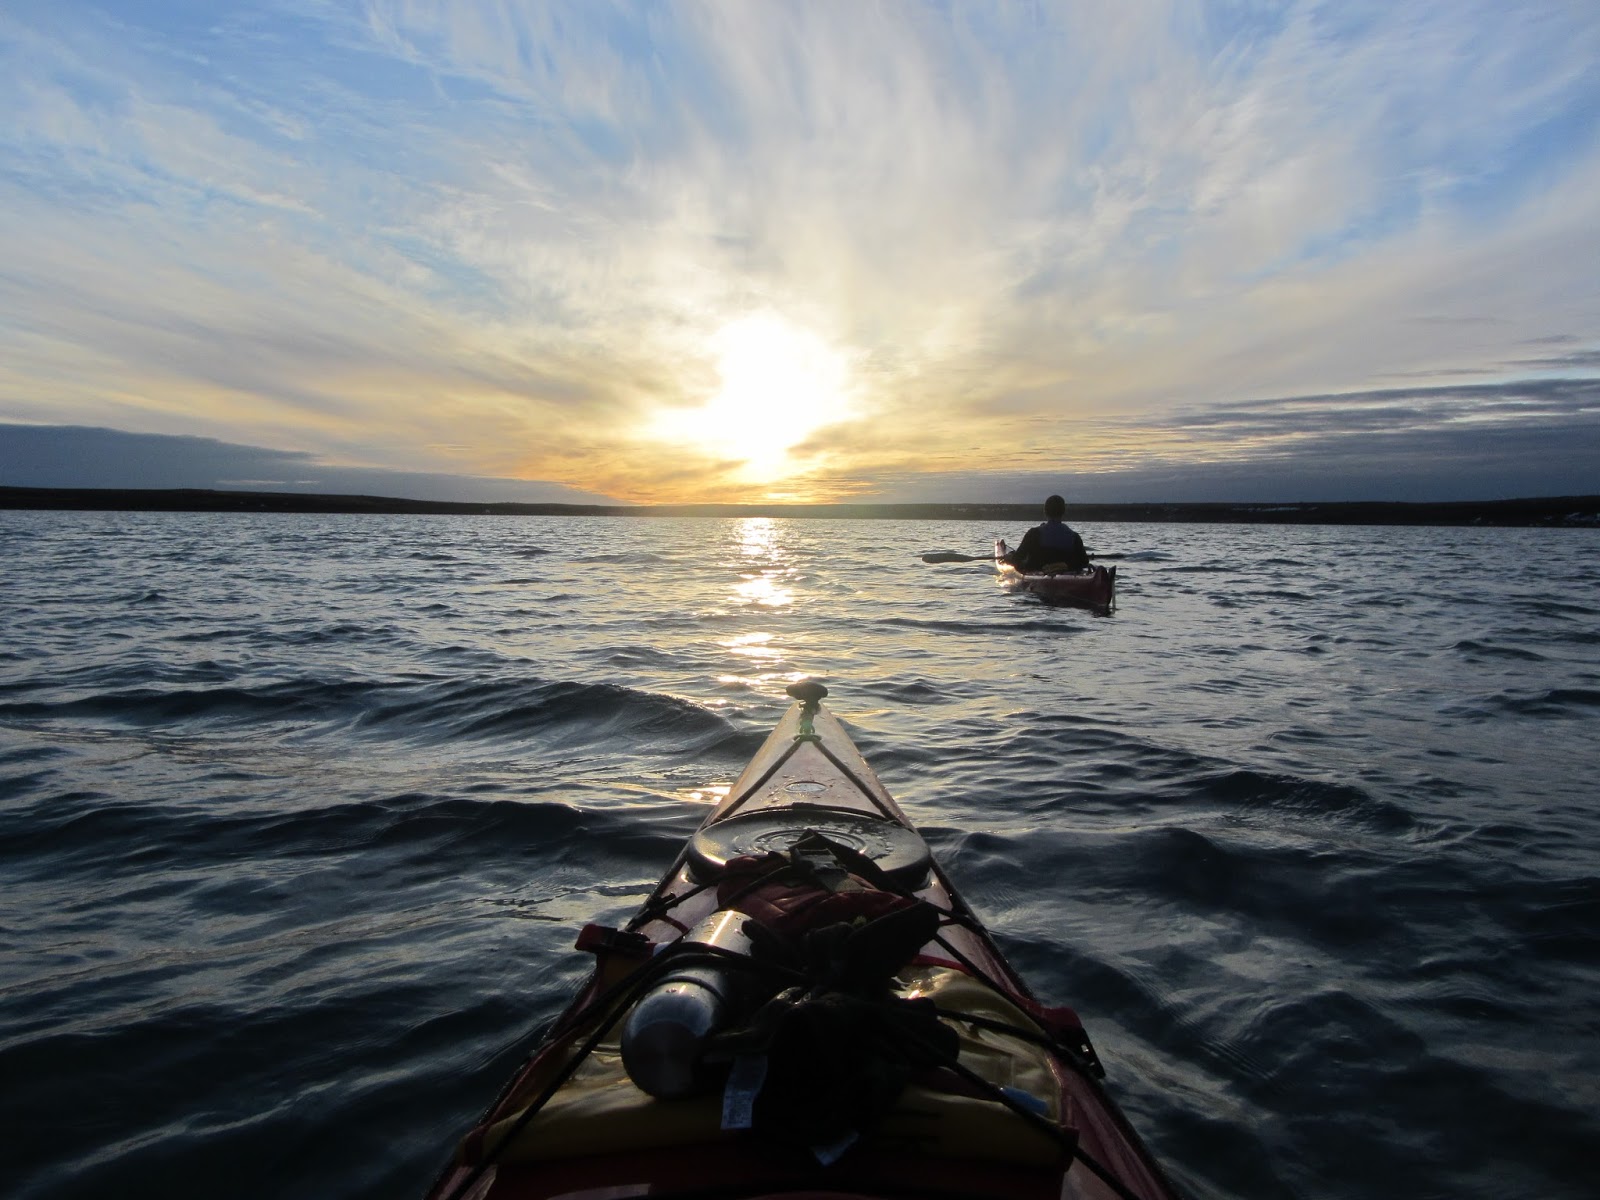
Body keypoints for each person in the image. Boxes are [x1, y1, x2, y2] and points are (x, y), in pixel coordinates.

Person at [1004, 495, 1090, 572]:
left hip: (1037, 571)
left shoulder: (1033, 533)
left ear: (1045, 512)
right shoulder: (1074, 536)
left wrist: (1010, 558)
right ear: (1063, 512)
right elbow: (1084, 562)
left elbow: (1018, 558)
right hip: (1066, 572)